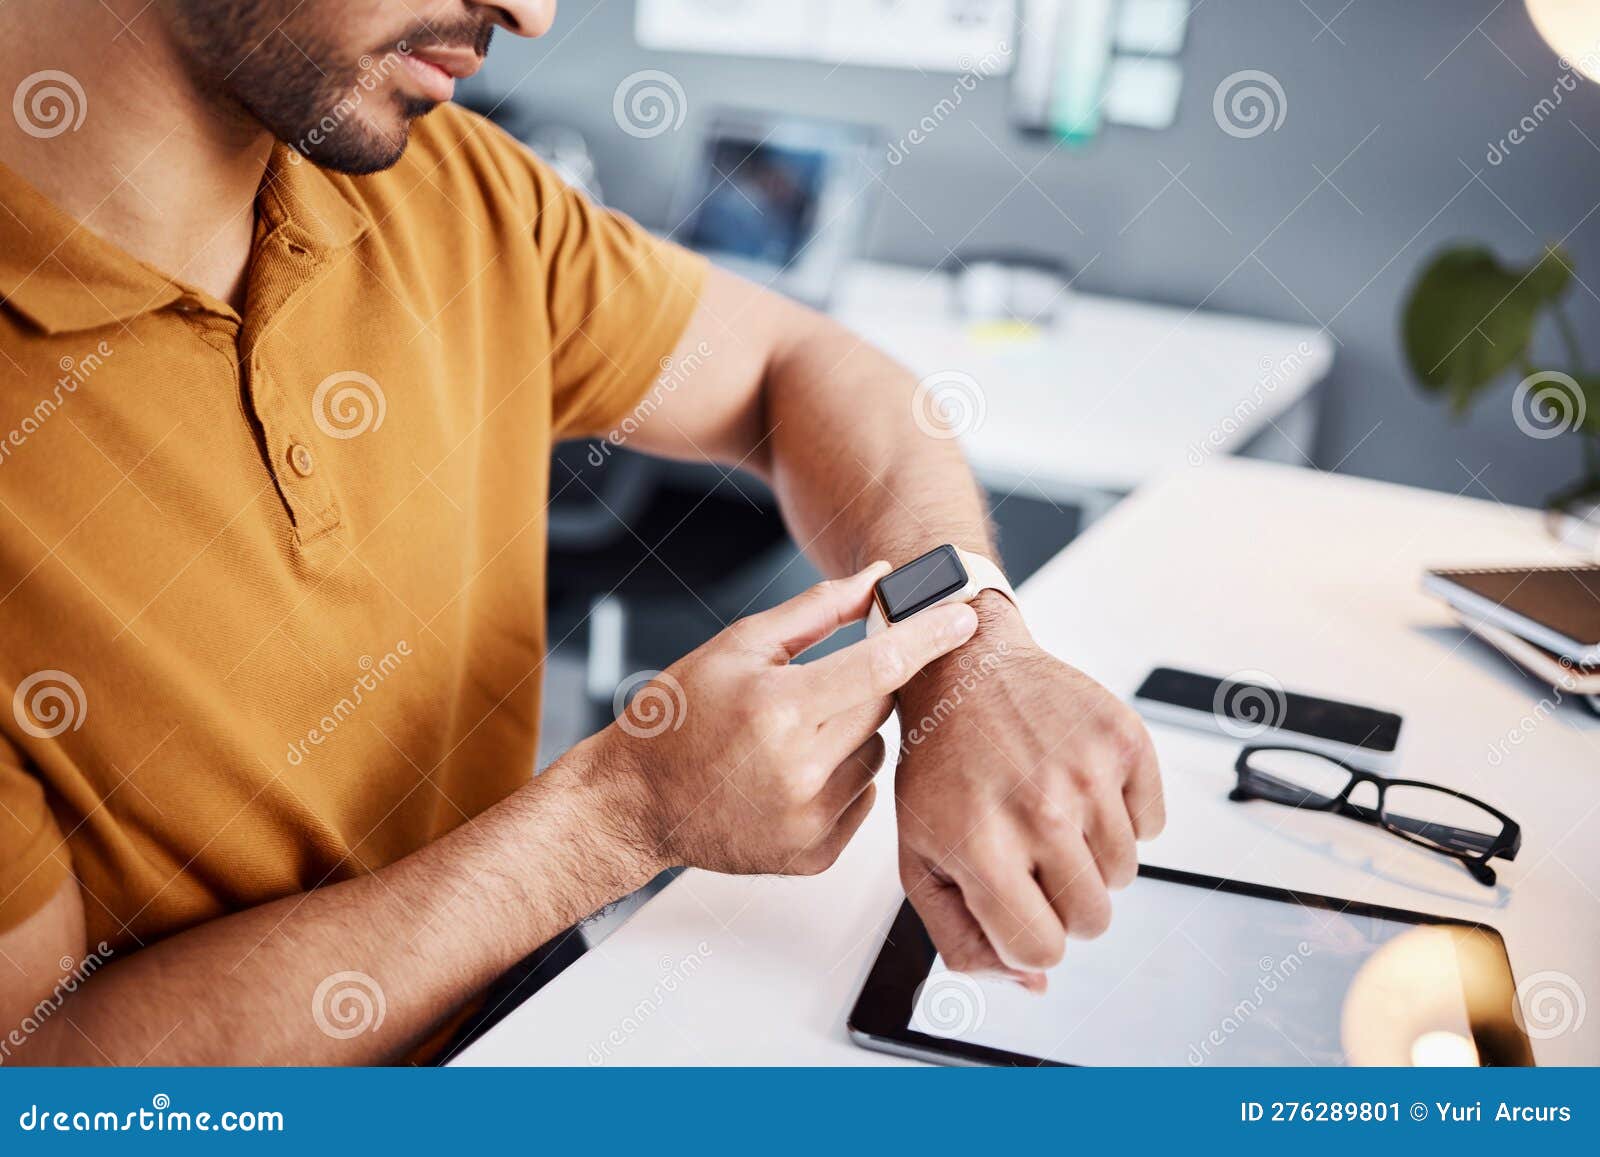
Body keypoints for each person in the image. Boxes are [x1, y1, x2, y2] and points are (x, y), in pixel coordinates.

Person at [0, 0, 1163, 1064]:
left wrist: (969, 648)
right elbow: (45, 1088)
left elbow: (798, 365)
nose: (534, 12)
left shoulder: (455, 191)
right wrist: (625, 814)